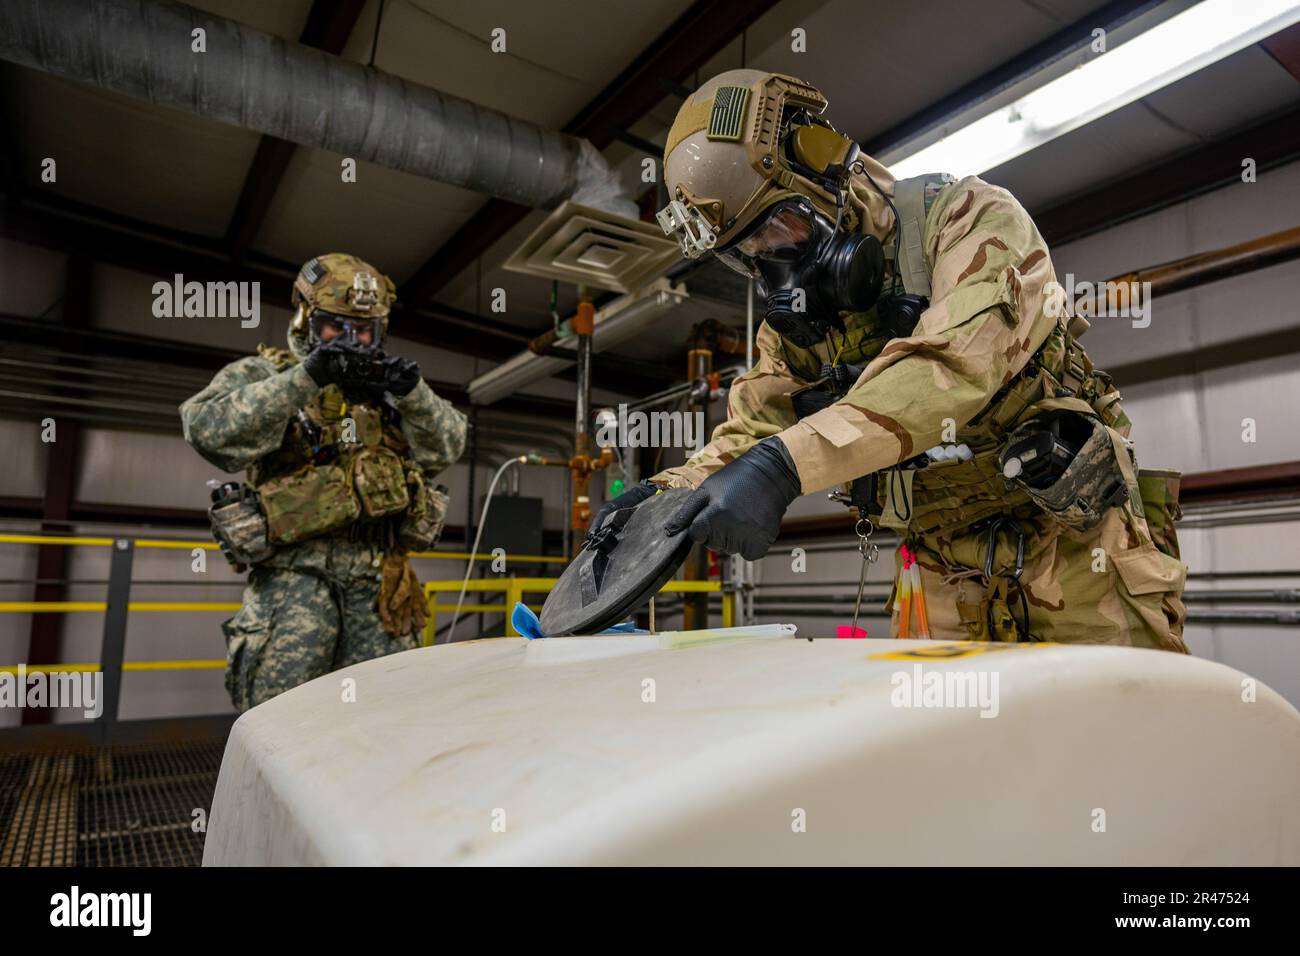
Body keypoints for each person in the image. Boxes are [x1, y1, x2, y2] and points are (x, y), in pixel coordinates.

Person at [599, 70, 1186, 650]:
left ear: (824, 167)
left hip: (1078, 545)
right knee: (950, 739)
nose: (778, 261)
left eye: (780, 225)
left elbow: (955, 364)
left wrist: (782, 468)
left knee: (1119, 726)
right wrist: (665, 496)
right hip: (939, 567)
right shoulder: (801, 323)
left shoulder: (968, 219)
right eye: (751, 253)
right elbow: (754, 429)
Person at [181, 253, 467, 710]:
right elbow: (208, 431)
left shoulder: (390, 394)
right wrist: (308, 378)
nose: (355, 339)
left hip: (379, 582)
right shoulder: (269, 375)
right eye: (338, 326)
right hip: (294, 580)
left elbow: (447, 449)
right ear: (306, 318)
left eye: (367, 330)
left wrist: (414, 394)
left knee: (388, 717)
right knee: (280, 718)